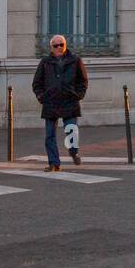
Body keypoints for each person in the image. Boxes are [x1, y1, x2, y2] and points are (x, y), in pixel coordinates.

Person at [32, 34, 88, 171]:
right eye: (55, 45)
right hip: (50, 102)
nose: (59, 47)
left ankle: (73, 151)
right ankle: (54, 163)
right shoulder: (45, 62)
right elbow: (37, 83)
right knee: (49, 135)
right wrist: (41, 96)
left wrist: (78, 95)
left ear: (65, 45)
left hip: (69, 101)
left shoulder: (75, 60)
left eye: (61, 44)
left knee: (71, 130)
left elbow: (83, 81)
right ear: (51, 47)